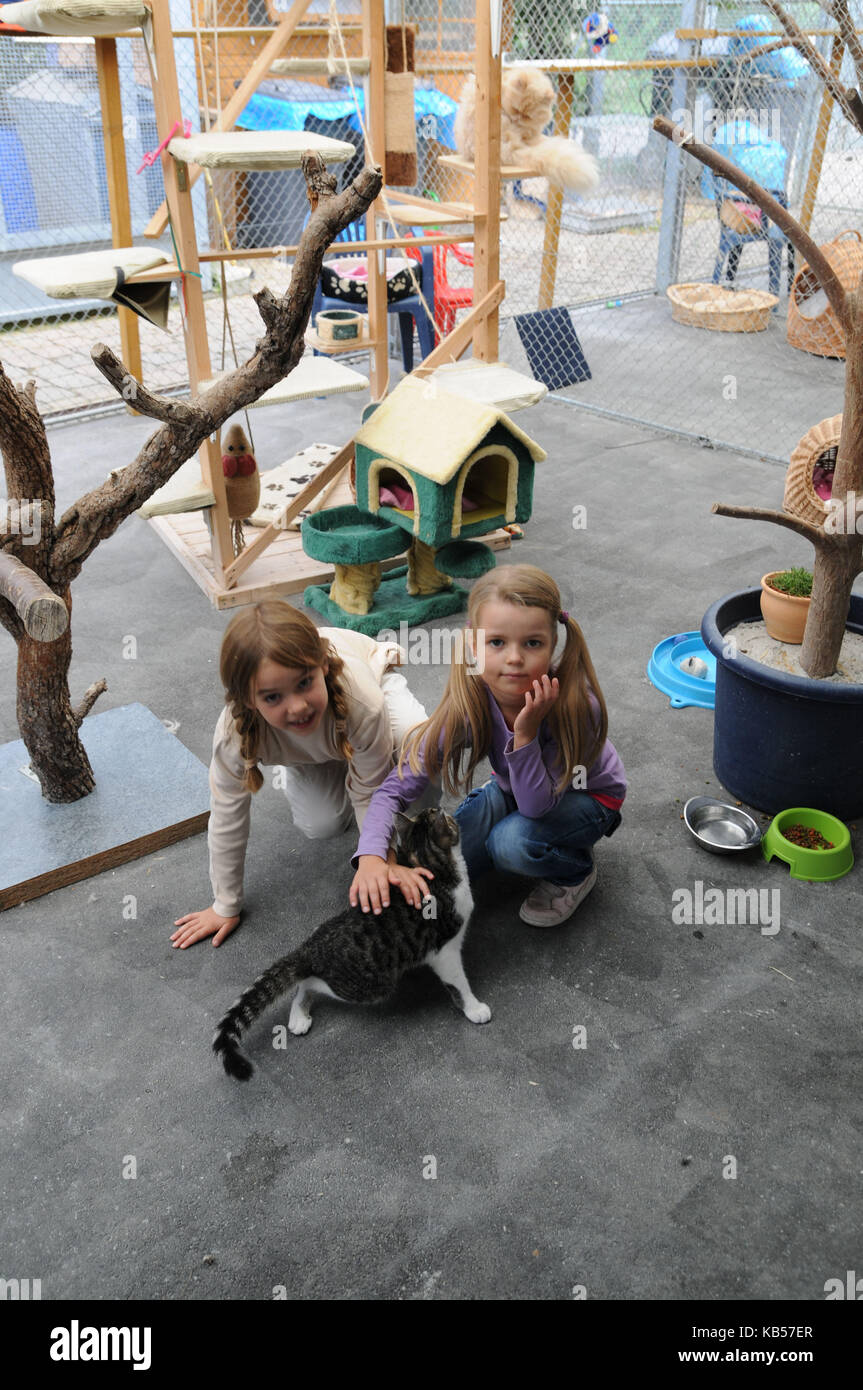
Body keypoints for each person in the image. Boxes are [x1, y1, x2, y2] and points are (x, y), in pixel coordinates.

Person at [350, 565, 626, 927]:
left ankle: (574, 871)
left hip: (587, 797)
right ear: (473, 643)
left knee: (509, 844)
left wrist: (525, 735)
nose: (514, 658)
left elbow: (538, 806)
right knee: (443, 864)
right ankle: (499, 802)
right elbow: (398, 785)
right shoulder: (470, 700)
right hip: (517, 787)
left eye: (532, 643)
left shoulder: (575, 705)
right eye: (497, 642)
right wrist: (372, 854)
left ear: (552, 644)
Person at [172, 600, 430, 948]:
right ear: (248, 700)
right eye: (273, 697)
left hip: (365, 692)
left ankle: (409, 808)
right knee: (321, 824)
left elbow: (372, 790)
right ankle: (327, 756)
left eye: (305, 683)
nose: (297, 706)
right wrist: (225, 904)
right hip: (322, 740)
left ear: (322, 666)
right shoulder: (233, 735)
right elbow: (226, 816)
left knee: (419, 750)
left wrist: (382, 859)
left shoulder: (361, 699)